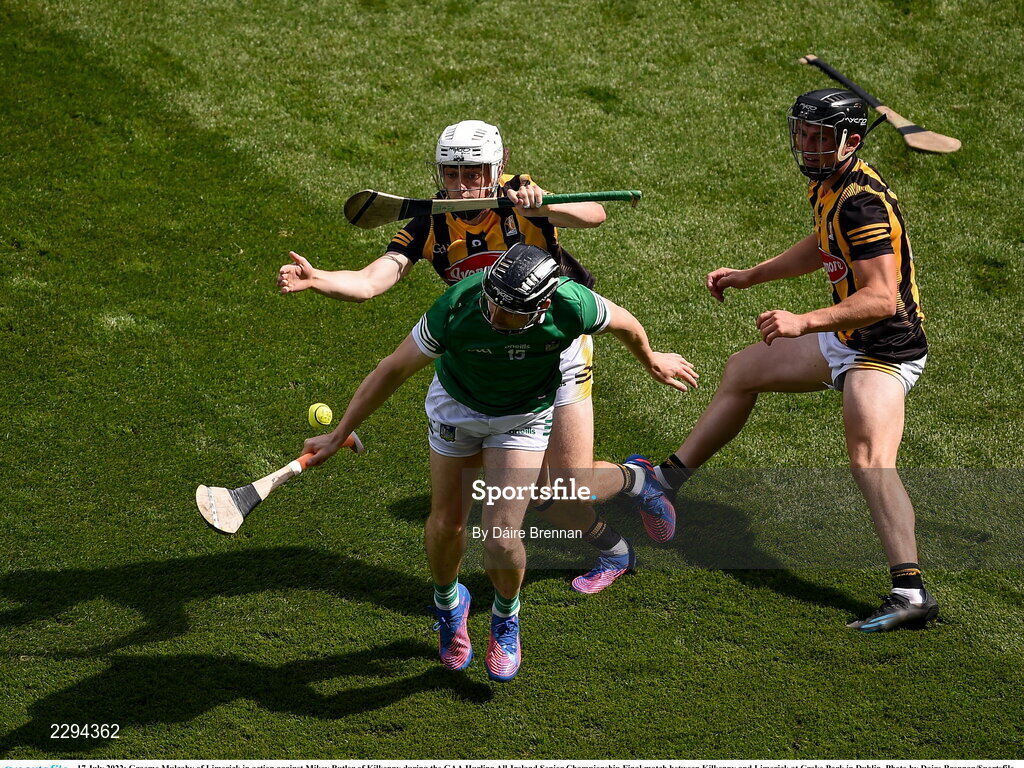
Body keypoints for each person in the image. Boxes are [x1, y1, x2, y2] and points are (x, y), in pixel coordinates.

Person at [279, 120, 678, 594]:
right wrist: (319, 278)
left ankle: (637, 481)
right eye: (452, 173)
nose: (462, 184)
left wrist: (544, 204)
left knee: (568, 484)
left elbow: (594, 216)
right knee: (538, 495)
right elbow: (370, 281)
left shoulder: (520, 196)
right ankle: (613, 548)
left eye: (474, 173)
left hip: (556, 344)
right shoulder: (429, 223)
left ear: (498, 167)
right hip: (487, 349)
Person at [301, 245, 697, 681]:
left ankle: (506, 618)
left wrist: (651, 358)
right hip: (457, 412)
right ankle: (450, 603)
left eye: (508, 312)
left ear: (542, 304)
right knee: (447, 523)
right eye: (491, 301)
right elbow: (392, 369)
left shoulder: (571, 304)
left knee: (502, 538)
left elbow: (624, 322)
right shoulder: (458, 307)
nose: (493, 315)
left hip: (522, 418)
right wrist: (339, 434)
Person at [629, 89, 938, 632]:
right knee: (743, 370)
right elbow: (821, 244)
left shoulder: (861, 202)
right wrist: (753, 275)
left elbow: (881, 298)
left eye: (820, 137)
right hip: (848, 336)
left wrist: (804, 320)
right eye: (803, 133)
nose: (807, 145)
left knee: (870, 462)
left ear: (852, 142)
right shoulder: (833, 188)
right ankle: (667, 480)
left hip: (882, 350)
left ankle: (910, 592)